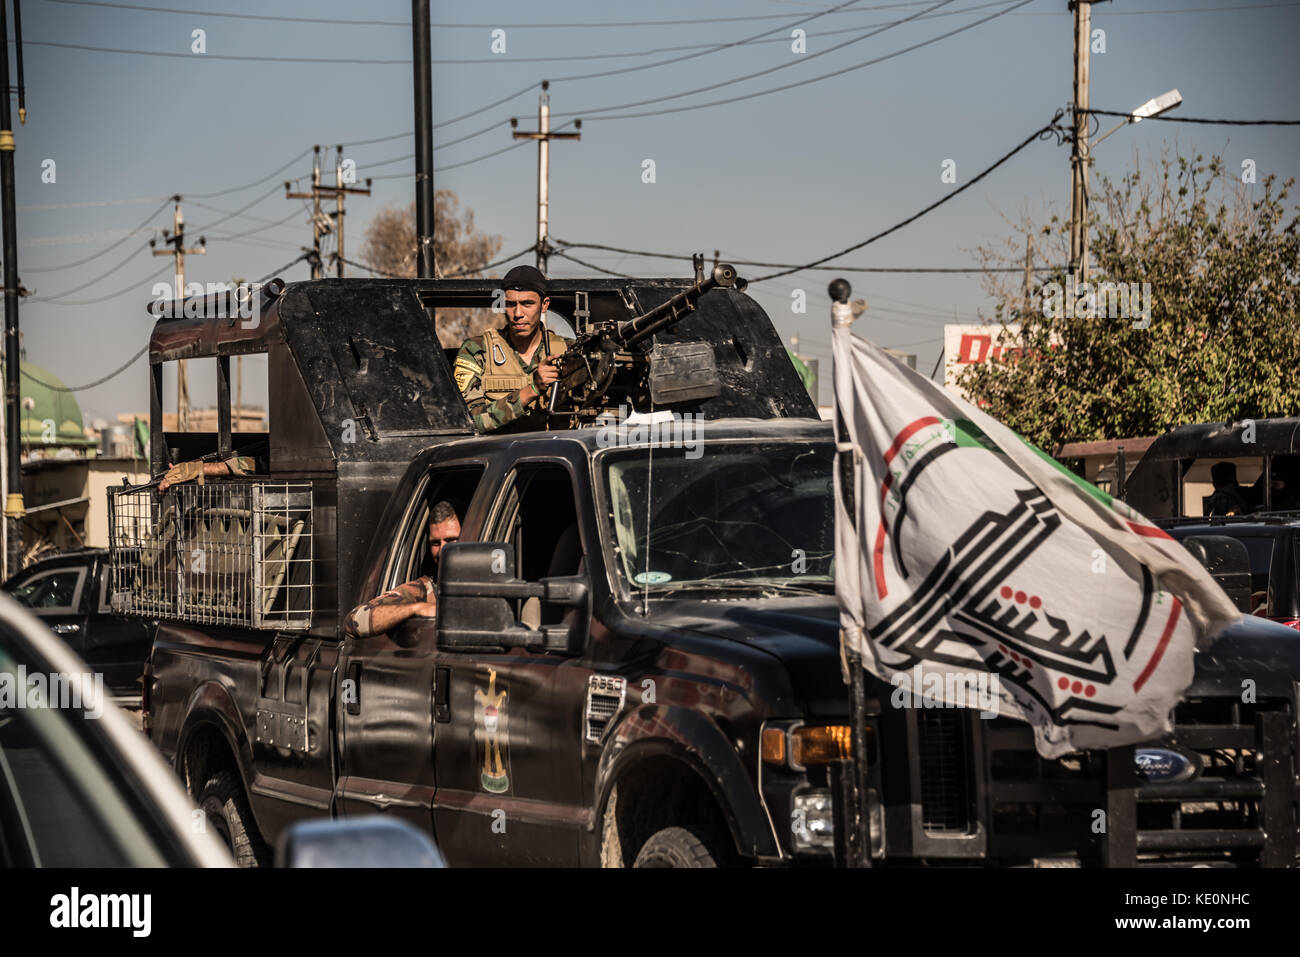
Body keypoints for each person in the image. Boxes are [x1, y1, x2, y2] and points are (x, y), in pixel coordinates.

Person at [454, 264, 573, 433]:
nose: (518, 313)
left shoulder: (570, 352)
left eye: (527, 303)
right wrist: (532, 390)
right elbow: (466, 421)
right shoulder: (477, 350)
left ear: (544, 305)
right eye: (511, 304)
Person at [342, 500, 461, 639]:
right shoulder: (423, 589)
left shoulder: (491, 581)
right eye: (435, 543)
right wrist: (418, 608)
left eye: (451, 540)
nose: (442, 550)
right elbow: (354, 621)